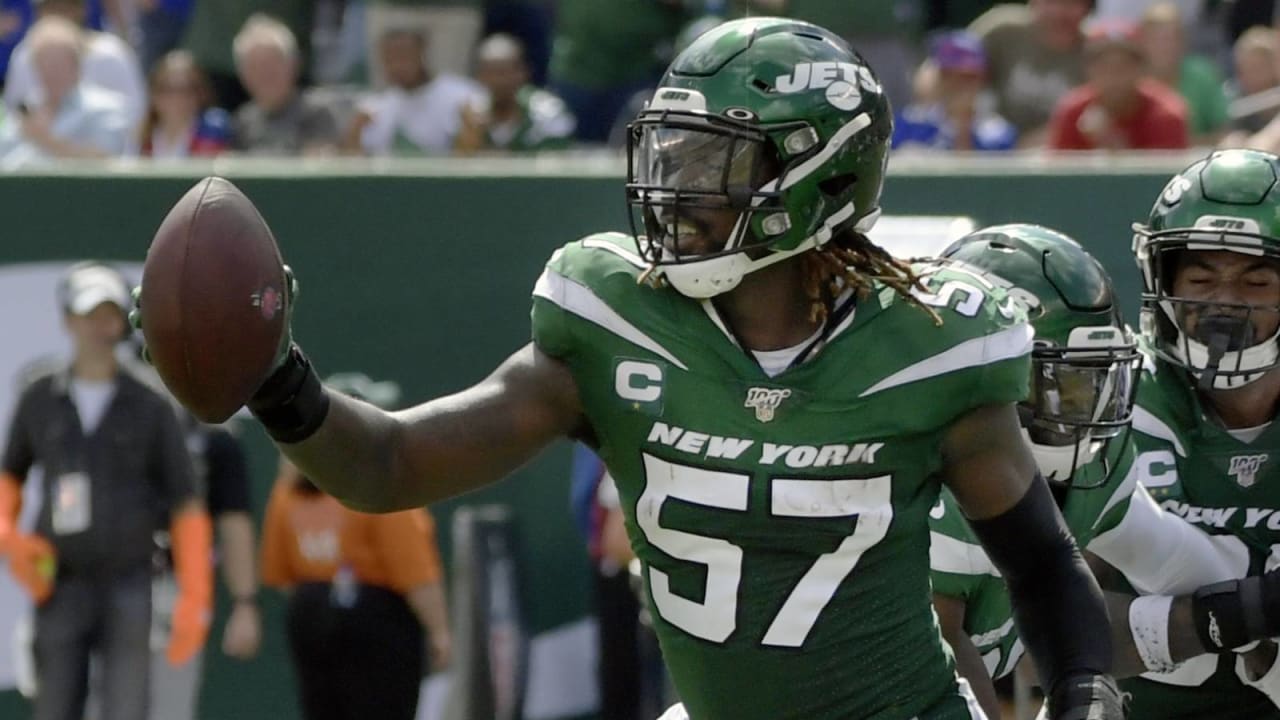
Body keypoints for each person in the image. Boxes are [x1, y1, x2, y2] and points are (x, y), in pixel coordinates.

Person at [137, 18, 1125, 720]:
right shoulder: (612, 322)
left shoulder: (928, 345)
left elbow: (1038, 562)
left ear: (818, 177)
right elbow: (391, 466)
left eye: (714, 164)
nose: (676, 188)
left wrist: (1083, 692)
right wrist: (280, 381)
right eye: (674, 152)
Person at [928, 223, 1267, 717]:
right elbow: (938, 681)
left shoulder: (1094, 469)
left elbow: (1181, 562)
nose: (1088, 408)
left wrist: (1259, 622)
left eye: (1098, 376)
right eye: (1062, 382)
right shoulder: (926, 488)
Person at [1, 261, 212, 720]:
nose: (101, 327)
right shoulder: (39, 397)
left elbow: (185, 501)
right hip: (59, 582)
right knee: (54, 706)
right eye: (89, 315)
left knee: (126, 707)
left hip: (130, 581)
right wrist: (10, 539)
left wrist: (195, 595)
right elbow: (9, 479)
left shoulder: (152, 402)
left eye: (110, 315)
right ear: (68, 321)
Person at [1118, 148, 1280, 718]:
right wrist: (1246, 619)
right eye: (1200, 277)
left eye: (1256, 280)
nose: (1223, 303)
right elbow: (1061, 636)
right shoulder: (1114, 397)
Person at [260, 372, 450, 720]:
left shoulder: (287, 492)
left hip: (311, 612)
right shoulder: (381, 486)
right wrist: (440, 632)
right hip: (377, 623)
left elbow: (284, 576)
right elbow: (414, 573)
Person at [0, 16, 131, 167]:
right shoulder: (25, 111)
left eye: (58, 63)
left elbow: (106, 159)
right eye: (44, 63)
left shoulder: (105, 109)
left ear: (77, 65)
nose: (51, 71)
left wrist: (45, 139)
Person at [1047, 20, 1189, 151]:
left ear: (1141, 69)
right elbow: (1055, 173)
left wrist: (1111, 141)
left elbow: (1170, 176)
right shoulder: (1073, 112)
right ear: (1089, 70)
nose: (1113, 76)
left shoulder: (1166, 113)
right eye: (1104, 66)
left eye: (1123, 66)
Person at [341, 26, 480, 157]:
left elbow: (472, 159)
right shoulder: (375, 107)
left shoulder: (463, 95)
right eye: (389, 58)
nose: (396, 65)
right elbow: (354, 162)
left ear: (422, 52)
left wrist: (469, 130)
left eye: (402, 56)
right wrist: (355, 133)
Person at [230, 13, 339, 156]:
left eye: (272, 63)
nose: (265, 74)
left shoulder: (317, 112)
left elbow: (320, 166)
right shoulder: (243, 121)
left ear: (293, 65)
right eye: (255, 66)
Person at [892, 30, 1017, 152]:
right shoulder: (908, 124)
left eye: (970, 77)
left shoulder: (998, 132)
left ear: (983, 79)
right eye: (950, 75)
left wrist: (963, 131)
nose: (959, 85)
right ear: (939, 77)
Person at [453, 33, 574, 155]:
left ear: (523, 72)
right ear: (479, 76)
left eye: (505, 72)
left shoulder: (547, 111)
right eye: (490, 73)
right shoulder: (472, 112)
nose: (498, 80)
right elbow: (460, 164)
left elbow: (555, 161)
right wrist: (470, 135)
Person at [138, 49, 230, 159]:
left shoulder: (215, 131)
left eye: (186, 89)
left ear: (200, 93)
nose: (177, 98)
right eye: (167, 89)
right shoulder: (141, 138)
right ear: (153, 94)